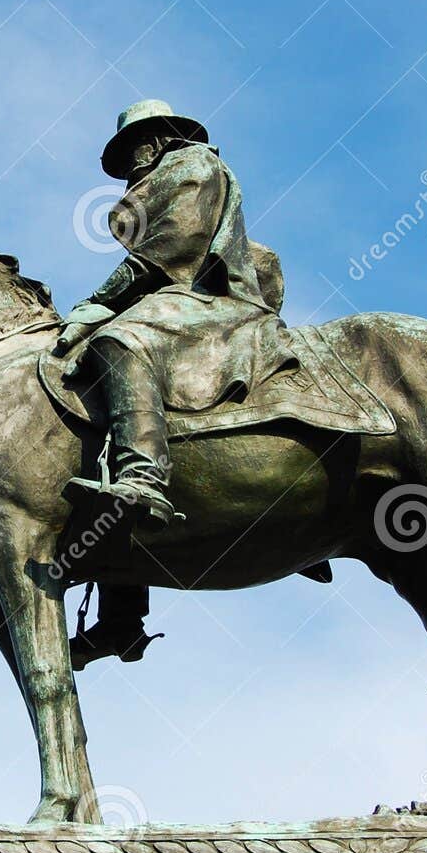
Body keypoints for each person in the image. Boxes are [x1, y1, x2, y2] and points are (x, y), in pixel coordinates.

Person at [55, 100, 295, 668]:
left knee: (119, 343)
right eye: (122, 153)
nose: (130, 162)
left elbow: (173, 250)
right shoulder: (160, 179)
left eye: (137, 145)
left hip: (211, 302)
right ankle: (120, 618)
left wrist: (96, 304)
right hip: (176, 297)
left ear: (162, 138)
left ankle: (146, 478)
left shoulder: (191, 166)